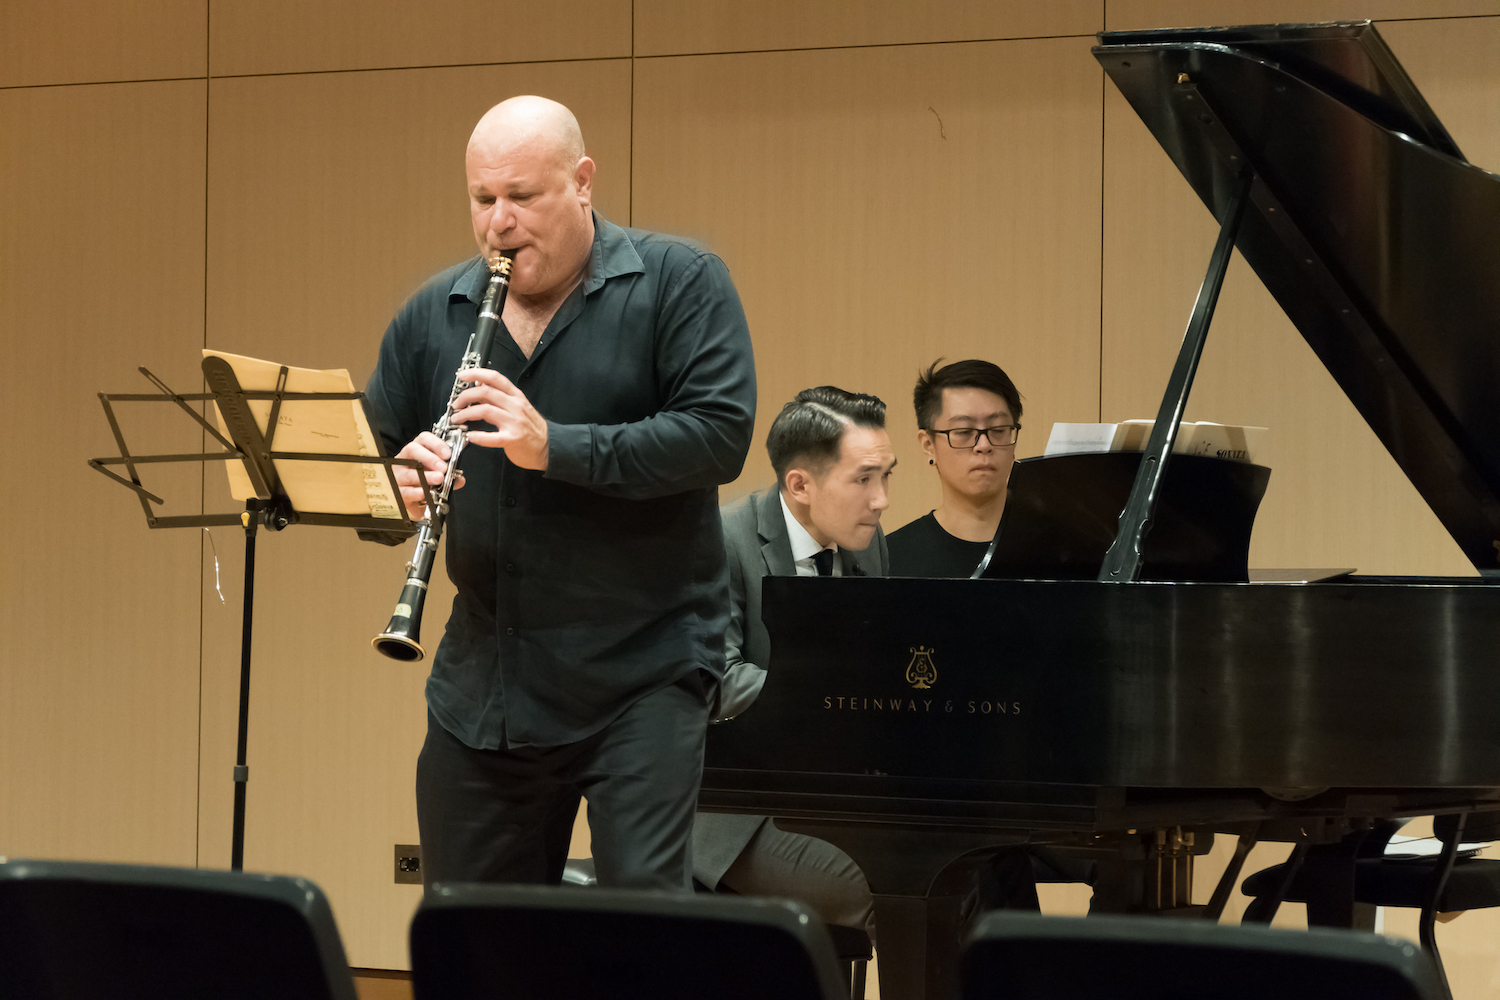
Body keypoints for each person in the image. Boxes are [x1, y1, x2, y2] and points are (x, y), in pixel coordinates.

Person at [364, 95, 757, 891]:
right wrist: (391, 491)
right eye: (483, 200)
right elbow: (370, 471)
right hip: (488, 683)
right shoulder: (432, 315)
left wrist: (556, 447)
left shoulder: (680, 282)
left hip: (643, 671)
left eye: (522, 197)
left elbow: (718, 435)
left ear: (582, 182)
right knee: (471, 935)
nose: (498, 223)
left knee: (642, 938)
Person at [694, 386, 894, 937]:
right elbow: (716, 683)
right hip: (734, 810)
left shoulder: (868, 544)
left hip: (834, 793)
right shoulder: (721, 538)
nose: (880, 500)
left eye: (886, 477)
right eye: (863, 479)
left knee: (967, 875)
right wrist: (829, 697)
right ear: (799, 484)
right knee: (893, 893)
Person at [886, 359, 1023, 577]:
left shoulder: (1060, 554)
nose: (984, 445)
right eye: (963, 431)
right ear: (928, 445)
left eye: (998, 429)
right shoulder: (889, 561)